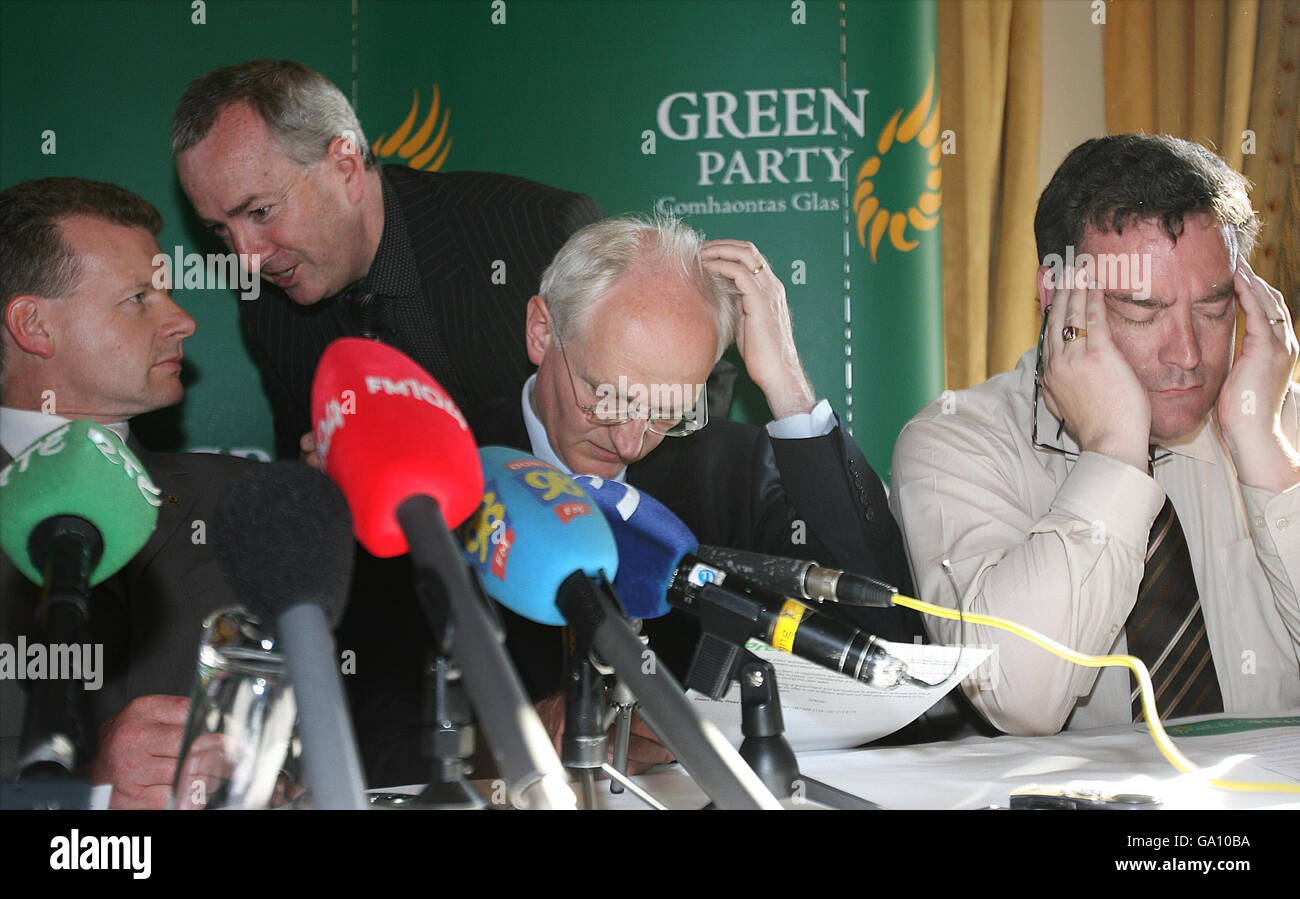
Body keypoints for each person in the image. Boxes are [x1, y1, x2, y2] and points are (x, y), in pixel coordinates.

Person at [890, 134, 1300, 736]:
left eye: (1213, 310)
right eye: (1142, 311)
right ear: (1057, 297)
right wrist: (1112, 453)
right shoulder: (956, 444)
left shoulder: (1277, 417)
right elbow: (1018, 700)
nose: (1187, 354)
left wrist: (1267, 452)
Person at [486, 215, 926, 763]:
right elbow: (376, 716)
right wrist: (517, 738)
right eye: (604, 396)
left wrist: (787, 385)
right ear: (542, 331)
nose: (628, 441)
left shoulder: (729, 469)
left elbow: (887, 630)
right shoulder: (447, 467)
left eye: (667, 414)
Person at [170, 58, 604, 460]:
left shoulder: (538, 233)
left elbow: (631, 429)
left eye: (260, 211)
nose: (247, 259)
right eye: (220, 229)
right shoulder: (269, 307)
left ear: (346, 167)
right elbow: (300, 473)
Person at [0, 177, 251, 807]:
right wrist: (82, 791)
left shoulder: (241, 500)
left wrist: (272, 777)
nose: (183, 320)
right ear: (34, 325)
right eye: (140, 298)